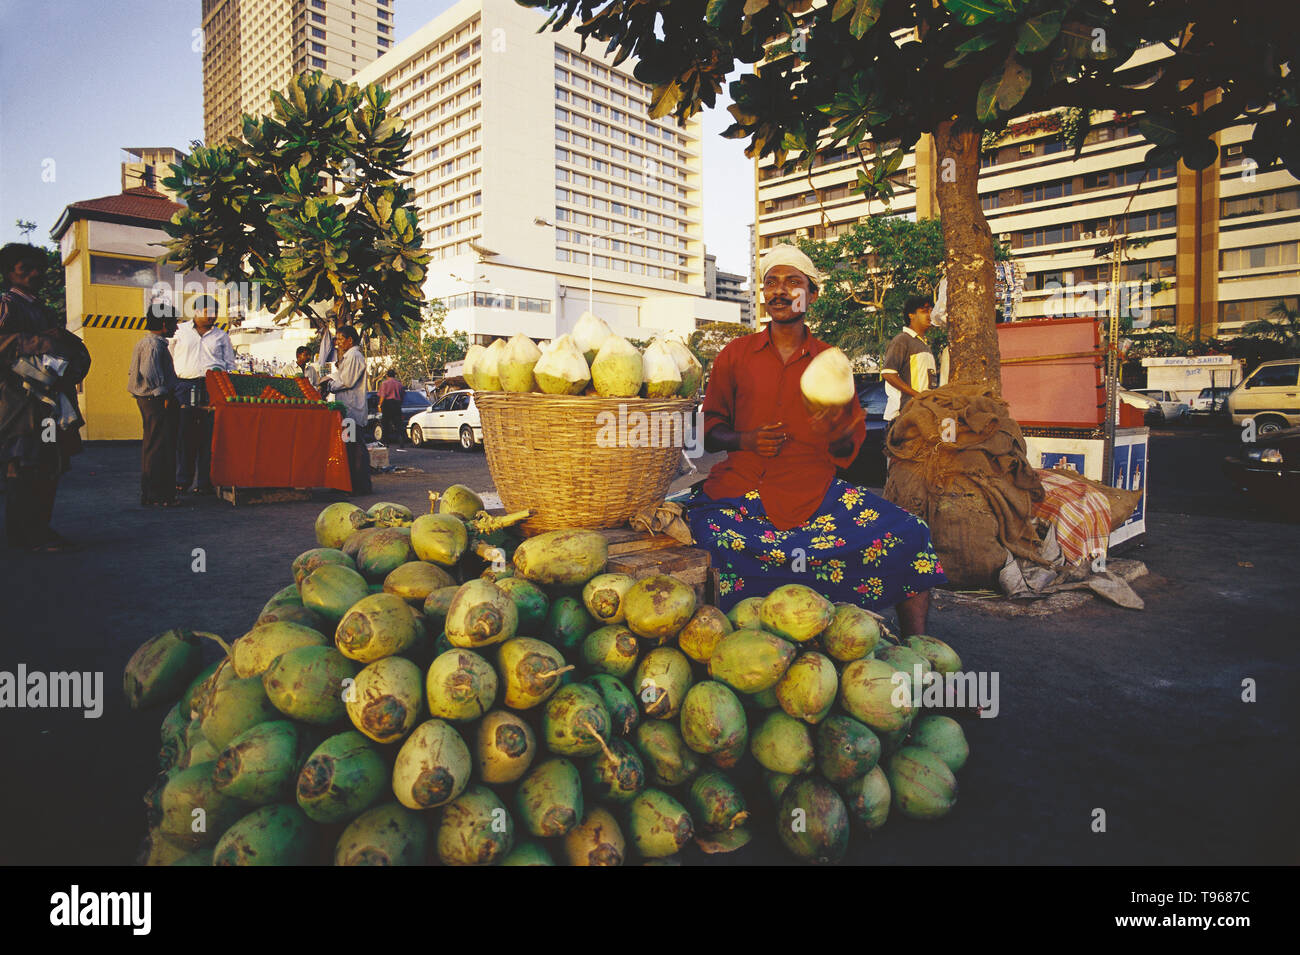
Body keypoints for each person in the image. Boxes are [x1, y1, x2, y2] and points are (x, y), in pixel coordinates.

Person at [685, 244, 945, 636]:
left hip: (816, 494)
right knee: (709, 541)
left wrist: (837, 427)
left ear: (814, 294)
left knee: (911, 533)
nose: (779, 291)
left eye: (793, 282)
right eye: (771, 282)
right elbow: (707, 431)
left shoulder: (832, 362)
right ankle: (744, 642)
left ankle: (919, 650)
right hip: (740, 490)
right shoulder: (735, 354)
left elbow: (848, 449)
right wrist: (746, 438)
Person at [0, 243, 90, 551]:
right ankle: (23, 534)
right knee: (22, 466)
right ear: (9, 273)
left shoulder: (41, 308)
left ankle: (39, 528)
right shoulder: (7, 305)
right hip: (18, 404)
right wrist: (39, 342)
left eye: (38, 268)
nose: (36, 274)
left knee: (47, 465)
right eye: (25, 269)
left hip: (47, 403)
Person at [169, 295, 234, 495]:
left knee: (209, 437)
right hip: (184, 386)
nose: (212, 317)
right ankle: (183, 480)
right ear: (196, 311)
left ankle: (205, 482)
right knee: (184, 436)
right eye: (208, 312)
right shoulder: (179, 332)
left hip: (212, 387)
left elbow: (229, 364)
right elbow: (168, 357)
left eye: (215, 313)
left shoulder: (221, 336)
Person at [128, 305, 180, 506]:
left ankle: (153, 493)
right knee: (160, 446)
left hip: (150, 400)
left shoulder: (148, 343)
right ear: (165, 324)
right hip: (155, 400)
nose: (176, 327)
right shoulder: (154, 345)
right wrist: (163, 393)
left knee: (155, 445)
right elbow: (150, 372)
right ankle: (158, 495)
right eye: (174, 322)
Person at [318, 325, 371, 495]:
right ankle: (354, 484)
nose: (338, 342)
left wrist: (330, 385)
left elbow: (347, 381)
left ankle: (357, 486)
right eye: (337, 339)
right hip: (349, 410)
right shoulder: (349, 356)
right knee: (350, 447)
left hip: (352, 410)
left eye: (341, 339)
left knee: (354, 448)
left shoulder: (354, 355)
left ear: (350, 340)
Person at [881, 295, 937, 426]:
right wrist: (916, 395)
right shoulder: (902, 340)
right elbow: (888, 373)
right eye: (924, 311)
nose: (929, 315)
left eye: (931, 311)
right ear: (911, 315)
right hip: (904, 416)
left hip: (923, 414)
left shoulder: (925, 345)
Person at [378, 368, 404, 445]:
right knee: (398, 424)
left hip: (387, 404)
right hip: (396, 404)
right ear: (394, 375)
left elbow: (382, 396)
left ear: (387, 375)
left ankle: (386, 442)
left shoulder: (384, 383)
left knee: (386, 424)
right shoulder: (399, 384)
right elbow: (402, 396)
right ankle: (401, 439)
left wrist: (379, 405)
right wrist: (399, 403)